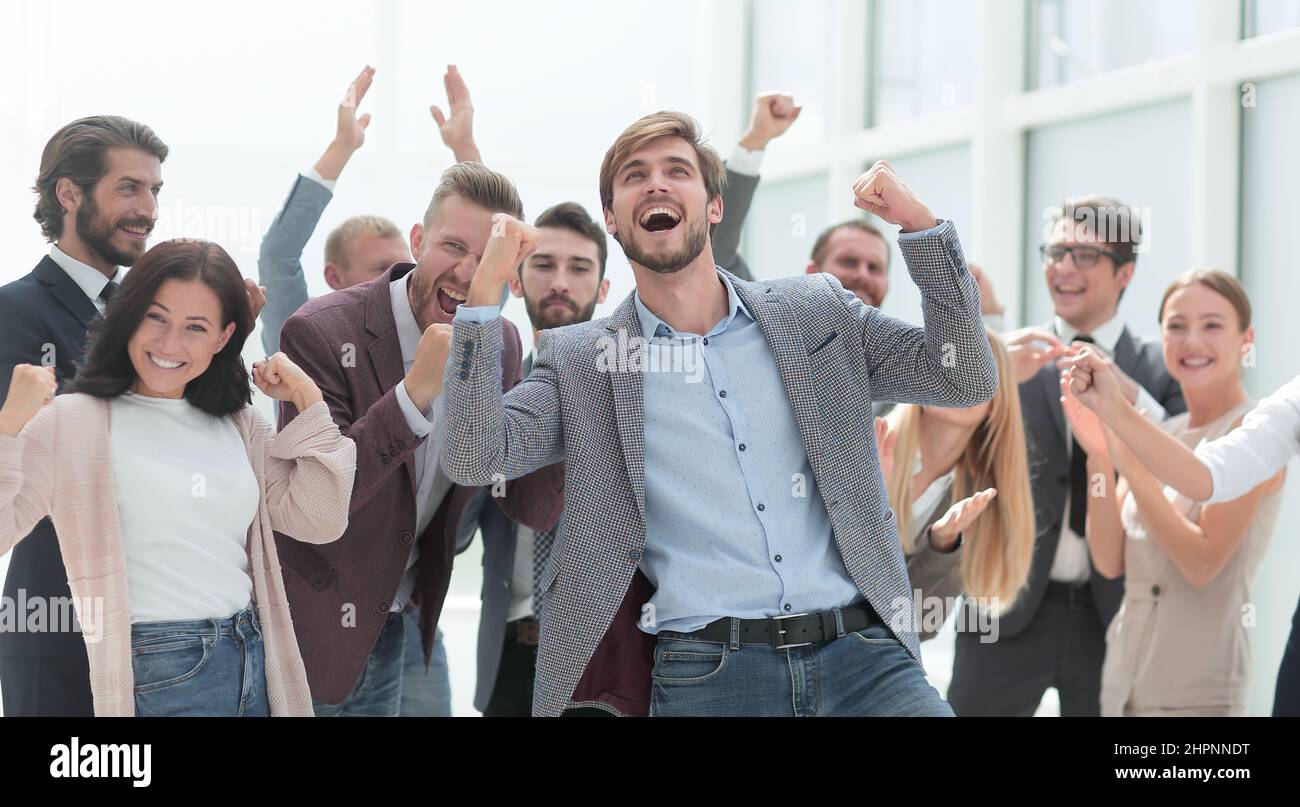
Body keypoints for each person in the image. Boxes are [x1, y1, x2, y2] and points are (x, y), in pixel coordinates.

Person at [438, 110, 996, 717]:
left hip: (864, 658)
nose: (656, 184)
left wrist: (921, 228)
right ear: (613, 221)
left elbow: (962, 374)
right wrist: (481, 304)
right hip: (710, 674)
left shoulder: (814, 312)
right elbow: (475, 455)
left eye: (676, 170)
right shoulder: (582, 361)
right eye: (634, 175)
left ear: (712, 207)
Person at [0, 239, 355, 716]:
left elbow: (320, 519)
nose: (169, 344)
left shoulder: (239, 423)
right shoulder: (74, 420)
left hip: (256, 656)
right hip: (162, 668)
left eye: (195, 327)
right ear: (127, 313)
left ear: (224, 337)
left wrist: (308, 400)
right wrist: (7, 428)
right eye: (156, 318)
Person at [275, 160, 562, 717]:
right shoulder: (320, 332)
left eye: (487, 261)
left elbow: (526, 502)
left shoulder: (499, 343)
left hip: (402, 617)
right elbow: (319, 498)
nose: (465, 272)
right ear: (417, 239)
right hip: (308, 624)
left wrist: (566, 395)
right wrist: (414, 394)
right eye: (452, 245)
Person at [0, 115, 260, 715]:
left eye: (155, 191)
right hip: (60, 625)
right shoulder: (12, 313)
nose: (147, 208)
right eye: (129, 188)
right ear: (69, 194)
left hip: (173, 642)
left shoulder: (151, 314)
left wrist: (221, 342)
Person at [254, 64, 470, 716]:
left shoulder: (454, 325)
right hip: (330, 607)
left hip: (407, 606)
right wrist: (340, 150)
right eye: (383, 271)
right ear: (336, 276)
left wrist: (466, 154)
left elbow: (491, 268)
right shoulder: (313, 325)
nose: (403, 280)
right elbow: (276, 257)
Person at [946, 195, 1185, 717]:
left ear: (1126, 273)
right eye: (1055, 253)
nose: (1064, 269)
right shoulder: (1011, 357)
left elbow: (1185, 463)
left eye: (1085, 256)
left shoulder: (1161, 372)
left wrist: (1122, 390)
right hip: (1001, 610)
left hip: (1113, 617)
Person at [1065, 284, 1300, 717]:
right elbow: (1109, 560)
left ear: (1246, 340)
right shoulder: (1163, 434)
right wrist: (1099, 454)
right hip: (1124, 682)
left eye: (1212, 325)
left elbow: (1202, 563)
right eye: (1176, 326)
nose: (1192, 341)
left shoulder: (1250, 437)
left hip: (1197, 691)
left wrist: (1130, 463)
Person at [455, 201, 610, 717]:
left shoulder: (631, 394)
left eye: (579, 267)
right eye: (543, 265)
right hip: (511, 656)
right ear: (516, 282)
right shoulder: (490, 394)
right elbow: (455, 537)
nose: (560, 281)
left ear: (604, 290)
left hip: (606, 658)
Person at [878, 329, 1035, 640]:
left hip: (882, 663)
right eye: (946, 365)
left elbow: (916, 628)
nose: (957, 380)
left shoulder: (978, 503)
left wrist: (942, 543)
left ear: (996, 400)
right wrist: (872, 508)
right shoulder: (873, 443)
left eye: (973, 369)